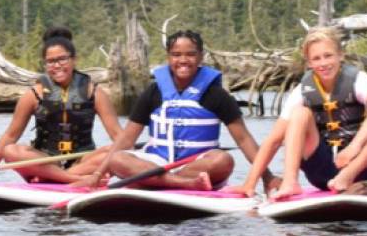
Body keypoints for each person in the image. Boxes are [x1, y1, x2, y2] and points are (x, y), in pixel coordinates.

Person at [95, 30, 266, 191]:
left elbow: (244, 139)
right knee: (118, 159)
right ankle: (185, 184)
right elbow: (126, 139)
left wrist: (268, 178)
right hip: (156, 162)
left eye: (190, 54)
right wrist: (98, 175)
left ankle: (155, 181)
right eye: (176, 55)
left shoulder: (217, 95)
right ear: (168, 58)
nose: (183, 60)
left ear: (200, 57)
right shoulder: (153, 92)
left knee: (223, 160)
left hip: (195, 164)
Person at [0, 27, 121, 186]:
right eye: (51, 61)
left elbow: (119, 136)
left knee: (116, 151)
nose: (57, 66)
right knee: (10, 150)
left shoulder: (95, 93)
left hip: (83, 162)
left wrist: (131, 157)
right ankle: (75, 180)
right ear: (45, 64)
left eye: (62, 59)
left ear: (74, 59)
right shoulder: (33, 94)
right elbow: (10, 136)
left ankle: (54, 178)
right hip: (45, 162)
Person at [266, 27, 367, 199]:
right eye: (316, 58)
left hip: (361, 170)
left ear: (340, 55)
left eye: (328, 55)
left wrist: (355, 146)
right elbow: (273, 140)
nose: (323, 63)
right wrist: (249, 184)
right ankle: (290, 182)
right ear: (309, 63)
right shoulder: (303, 90)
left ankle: (346, 176)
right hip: (323, 172)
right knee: (299, 114)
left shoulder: (359, 79)